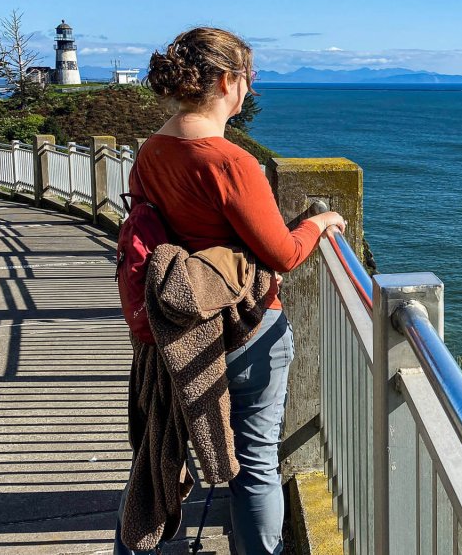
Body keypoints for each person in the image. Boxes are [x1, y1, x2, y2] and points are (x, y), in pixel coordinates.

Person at [114, 27, 345, 555]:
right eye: (249, 77)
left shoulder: (152, 151)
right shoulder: (229, 161)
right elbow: (282, 253)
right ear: (226, 80)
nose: (250, 88)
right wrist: (322, 222)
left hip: (180, 329)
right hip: (245, 328)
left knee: (159, 449)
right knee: (255, 463)